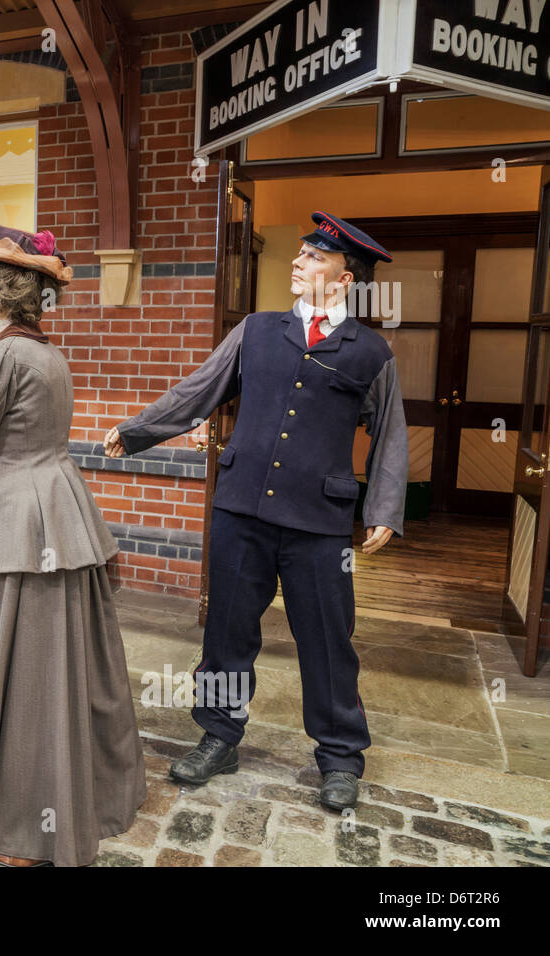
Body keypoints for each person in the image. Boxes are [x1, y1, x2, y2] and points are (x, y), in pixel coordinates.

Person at [104, 211, 408, 812]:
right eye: (299, 254)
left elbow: (391, 434)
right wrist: (138, 429)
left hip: (319, 522)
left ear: (346, 281)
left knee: (327, 639)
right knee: (227, 632)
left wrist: (386, 507)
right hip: (240, 510)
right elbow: (200, 388)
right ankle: (219, 734)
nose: (298, 263)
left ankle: (340, 757)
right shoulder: (256, 330)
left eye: (314, 258)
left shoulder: (371, 352)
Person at [0, 225, 147, 867]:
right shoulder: (44, 353)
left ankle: (20, 830)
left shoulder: (0, 356)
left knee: (18, 678)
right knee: (52, 672)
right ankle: (66, 804)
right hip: (55, 512)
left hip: (19, 526)